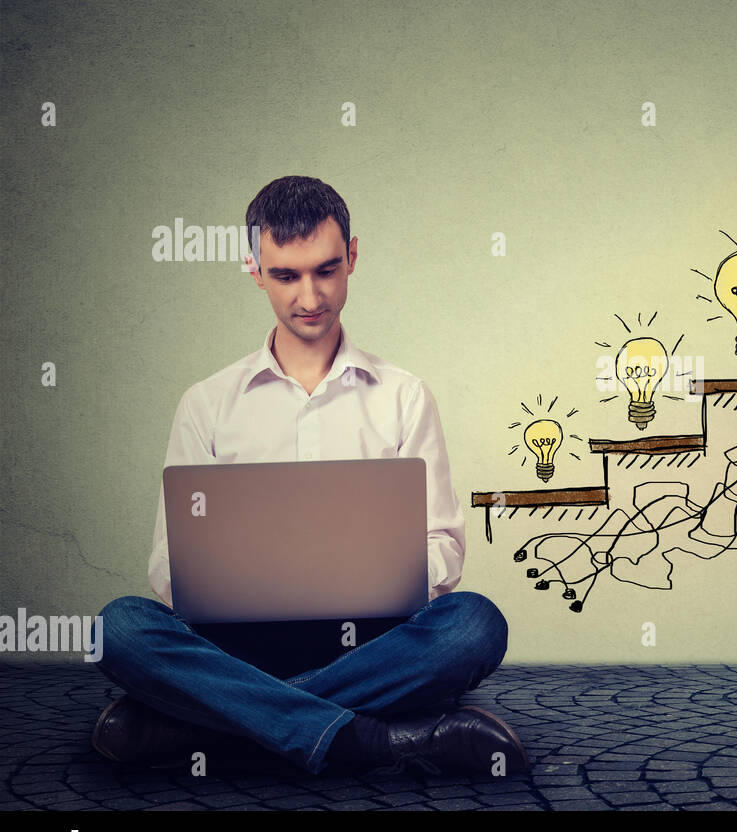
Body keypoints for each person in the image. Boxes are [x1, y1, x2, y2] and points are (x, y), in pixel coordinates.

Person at [91, 176, 528, 777]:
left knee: (474, 625)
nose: (310, 297)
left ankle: (210, 721)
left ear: (352, 256)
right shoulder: (207, 403)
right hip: (239, 648)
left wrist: (375, 575)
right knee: (118, 627)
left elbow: (443, 546)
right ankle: (376, 740)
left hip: (373, 643)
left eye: (326, 270)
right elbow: (170, 570)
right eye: (286, 275)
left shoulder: (404, 397)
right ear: (254, 269)